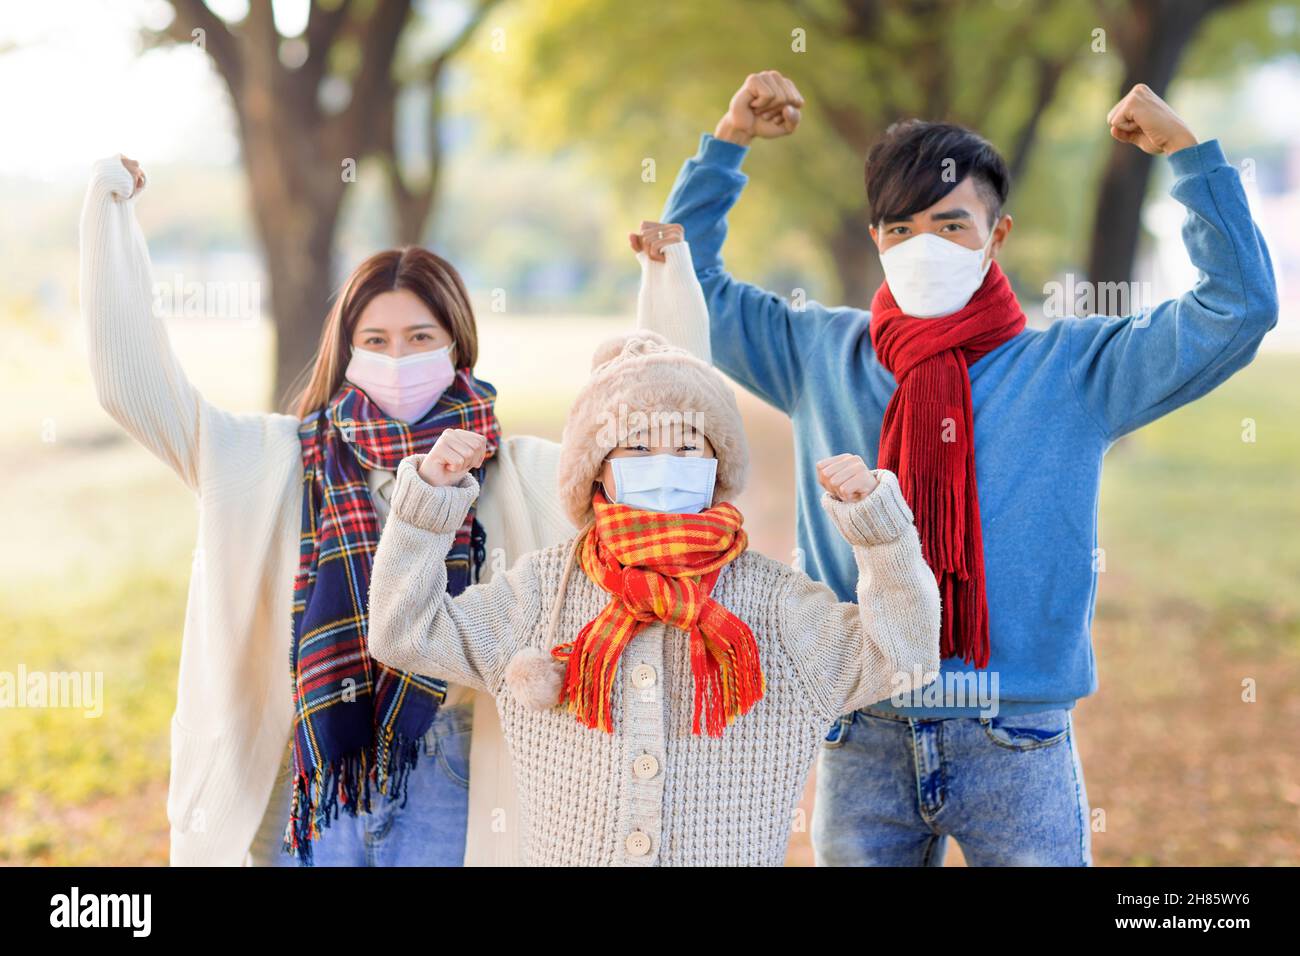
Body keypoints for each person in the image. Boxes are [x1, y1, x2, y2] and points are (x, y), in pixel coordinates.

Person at [643, 71, 1278, 866]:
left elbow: (1237, 309)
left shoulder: (1072, 369)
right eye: (902, 228)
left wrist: (1188, 156)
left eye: (951, 225)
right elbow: (680, 283)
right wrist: (729, 141)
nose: (926, 247)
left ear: (997, 234)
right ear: (876, 238)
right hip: (862, 724)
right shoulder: (819, 354)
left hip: (1015, 734)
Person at [363, 243, 943, 865]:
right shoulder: (538, 593)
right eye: (636, 448)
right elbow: (405, 634)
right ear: (596, 474)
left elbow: (903, 657)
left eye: (688, 446)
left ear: (719, 466)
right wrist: (429, 502)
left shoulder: (777, 605)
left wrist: (878, 530)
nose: (665, 463)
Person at [78, 154, 573, 866]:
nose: (397, 357)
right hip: (313, 766)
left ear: (458, 347)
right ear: (346, 353)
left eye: (420, 338)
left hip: (455, 768)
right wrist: (110, 211)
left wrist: (666, 272)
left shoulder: (516, 470)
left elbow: (640, 438)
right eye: (375, 341)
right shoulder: (268, 457)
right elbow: (134, 385)